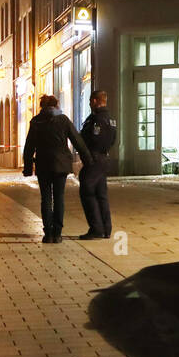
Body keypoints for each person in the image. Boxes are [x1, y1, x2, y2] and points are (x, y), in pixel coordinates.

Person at [22, 94, 90, 243]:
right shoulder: (63, 120)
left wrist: (28, 167)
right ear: (56, 105)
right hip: (61, 165)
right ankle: (57, 233)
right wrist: (88, 160)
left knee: (46, 198)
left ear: (42, 106)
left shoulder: (36, 121)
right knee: (59, 197)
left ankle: (48, 234)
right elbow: (77, 140)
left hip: (43, 165)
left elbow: (29, 147)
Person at [78, 90, 117, 240]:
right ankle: (106, 228)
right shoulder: (110, 118)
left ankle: (96, 228)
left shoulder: (97, 119)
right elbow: (113, 140)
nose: (89, 104)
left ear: (95, 101)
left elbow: (93, 139)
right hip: (104, 159)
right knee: (101, 194)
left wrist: (86, 151)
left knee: (87, 192)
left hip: (94, 159)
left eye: (90, 101)